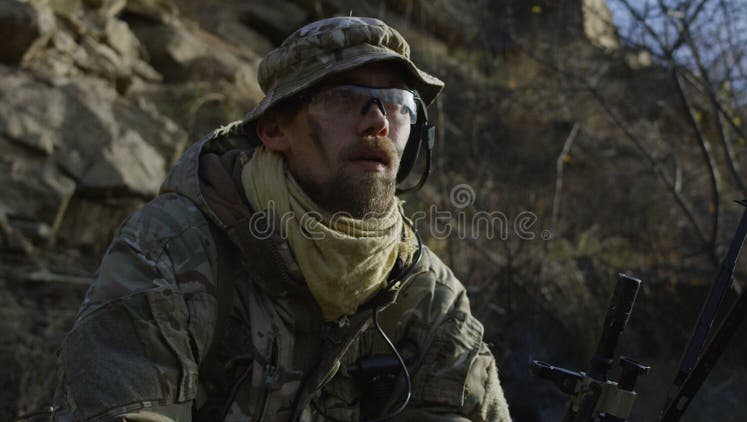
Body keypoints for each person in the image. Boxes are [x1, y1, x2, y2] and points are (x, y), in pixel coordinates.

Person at [53, 16, 511, 422]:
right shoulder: (170, 252)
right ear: (274, 130)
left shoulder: (428, 293)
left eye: (397, 103)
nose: (378, 123)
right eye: (344, 97)